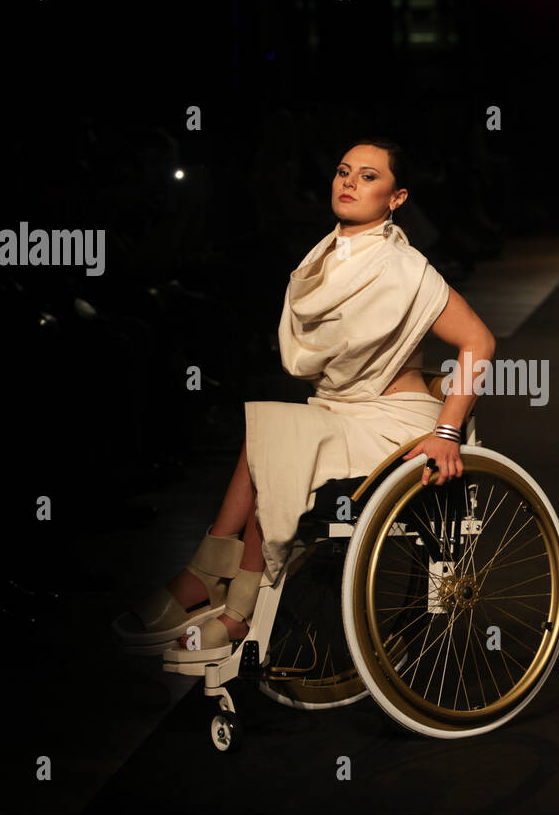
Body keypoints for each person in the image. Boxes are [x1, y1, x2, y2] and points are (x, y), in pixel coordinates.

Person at [113, 138, 496, 660]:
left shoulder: (406, 268)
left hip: (395, 423)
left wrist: (448, 430)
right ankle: (211, 580)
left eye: (367, 176)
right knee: (273, 432)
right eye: (343, 172)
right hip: (339, 413)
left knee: (275, 432)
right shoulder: (324, 259)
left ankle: (226, 599)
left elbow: (480, 341)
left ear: (396, 198)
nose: (349, 182)